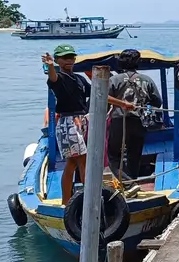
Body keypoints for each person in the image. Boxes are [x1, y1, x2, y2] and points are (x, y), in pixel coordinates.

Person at [41, 44, 134, 202]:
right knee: (84, 161)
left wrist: (122, 103)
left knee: (72, 163)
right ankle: (90, 199)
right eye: (64, 58)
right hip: (68, 123)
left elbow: (99, 93)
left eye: (71, 57)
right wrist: (50, 66)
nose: (69, 60)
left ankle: (67, 201)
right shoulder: (58, 78)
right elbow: (53, 78)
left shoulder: (79, 79)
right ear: (57, 60)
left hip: (81, 121)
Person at [107, 49, 162, 181]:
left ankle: (126, 182)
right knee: (135, 155)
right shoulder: (147, 80)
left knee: (113, 155)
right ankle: (132, 181)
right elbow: (157, 102)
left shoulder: (114, 80)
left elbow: (103, 97)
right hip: (139, 121)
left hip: (119, 120)